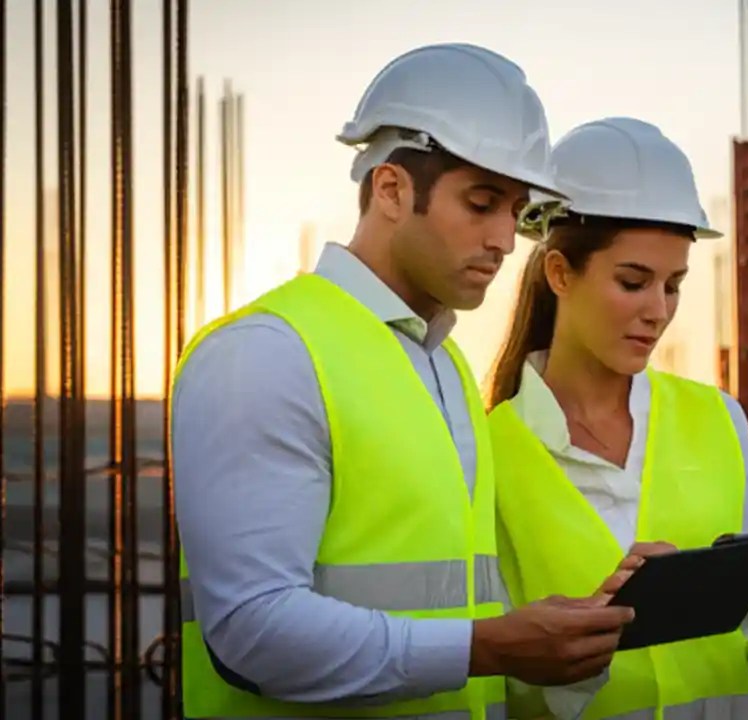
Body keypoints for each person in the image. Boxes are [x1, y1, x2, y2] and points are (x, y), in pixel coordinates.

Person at [171, 44, 637, 719]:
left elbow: (449, 598)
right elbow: (252, 632)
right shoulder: (266, 355)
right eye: (481, 204)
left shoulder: (442, 364)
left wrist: (574, 622)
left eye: (515, 211)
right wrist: (489, 648)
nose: (506, 240)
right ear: (391, 190)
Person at [485, 117, 748, 720]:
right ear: (560, 273)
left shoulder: (719, 420)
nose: (658, 311)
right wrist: (587, 638)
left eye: (674, 285)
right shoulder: (489, 453)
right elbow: (495, 680)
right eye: (633, 282)